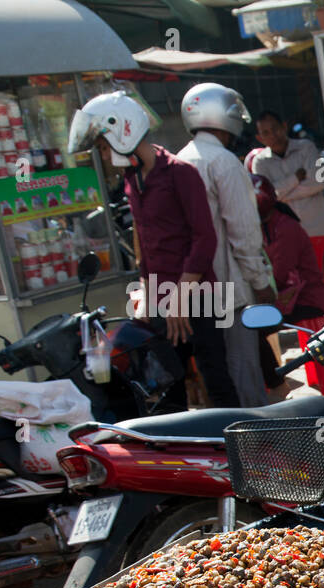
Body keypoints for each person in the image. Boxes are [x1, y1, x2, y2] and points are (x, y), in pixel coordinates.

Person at [68, 91, 239, 408]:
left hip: (200, 294)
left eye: (104, 147)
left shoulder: (181, 173)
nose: (104, 156)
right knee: (166, 388)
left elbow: (205, 239)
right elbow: (143, 243)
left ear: (124, 131)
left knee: (216, 380)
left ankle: (236, 452)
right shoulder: (133, 179)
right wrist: (147, 295)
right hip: (160, 297)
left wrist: (179, 299)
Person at [178, 83, 276, 408]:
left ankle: (227, 442)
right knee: (244, 374)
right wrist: (261, 283)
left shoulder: (180, 160)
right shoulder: (224, 162)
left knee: (216, 378)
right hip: (231, 290)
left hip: (195, 290)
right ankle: (255, 444)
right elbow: (244, 231)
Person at [252, 175, 324, 392]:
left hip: (305, 299)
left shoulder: (285, 228)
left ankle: (276, 385)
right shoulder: (270, 224)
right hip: (286, 296)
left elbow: (279, 275)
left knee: (250, 329)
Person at [253, 111, 324, 237]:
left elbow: (320, 182)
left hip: (320, 229)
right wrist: (295, 178)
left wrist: (281, 194)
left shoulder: (308, 147)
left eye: (275, 129)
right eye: (266, 133)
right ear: (259, 138)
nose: (273, 136)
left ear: (284, 126)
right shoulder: (259, 162)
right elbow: (268, 197)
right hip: (288, 235)